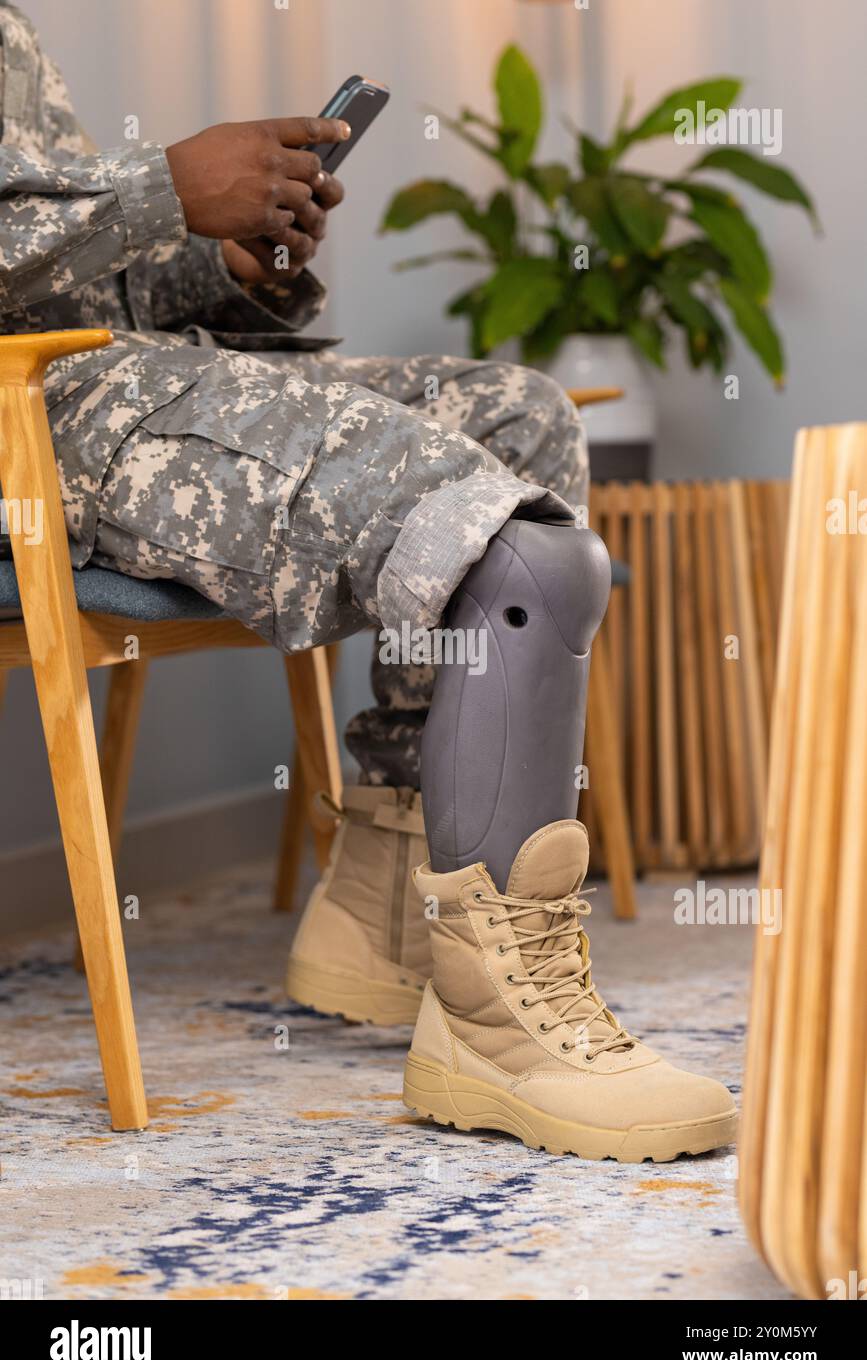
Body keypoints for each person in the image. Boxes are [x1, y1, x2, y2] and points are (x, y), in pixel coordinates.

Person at [0, 1, 735, 1160]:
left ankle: (392, 908)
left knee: (520, 419)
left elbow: (61, 288)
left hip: (114, 370)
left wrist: (226, 266)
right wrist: (160, 187)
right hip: (33, 424)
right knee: (516, 555)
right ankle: (495, 1030)